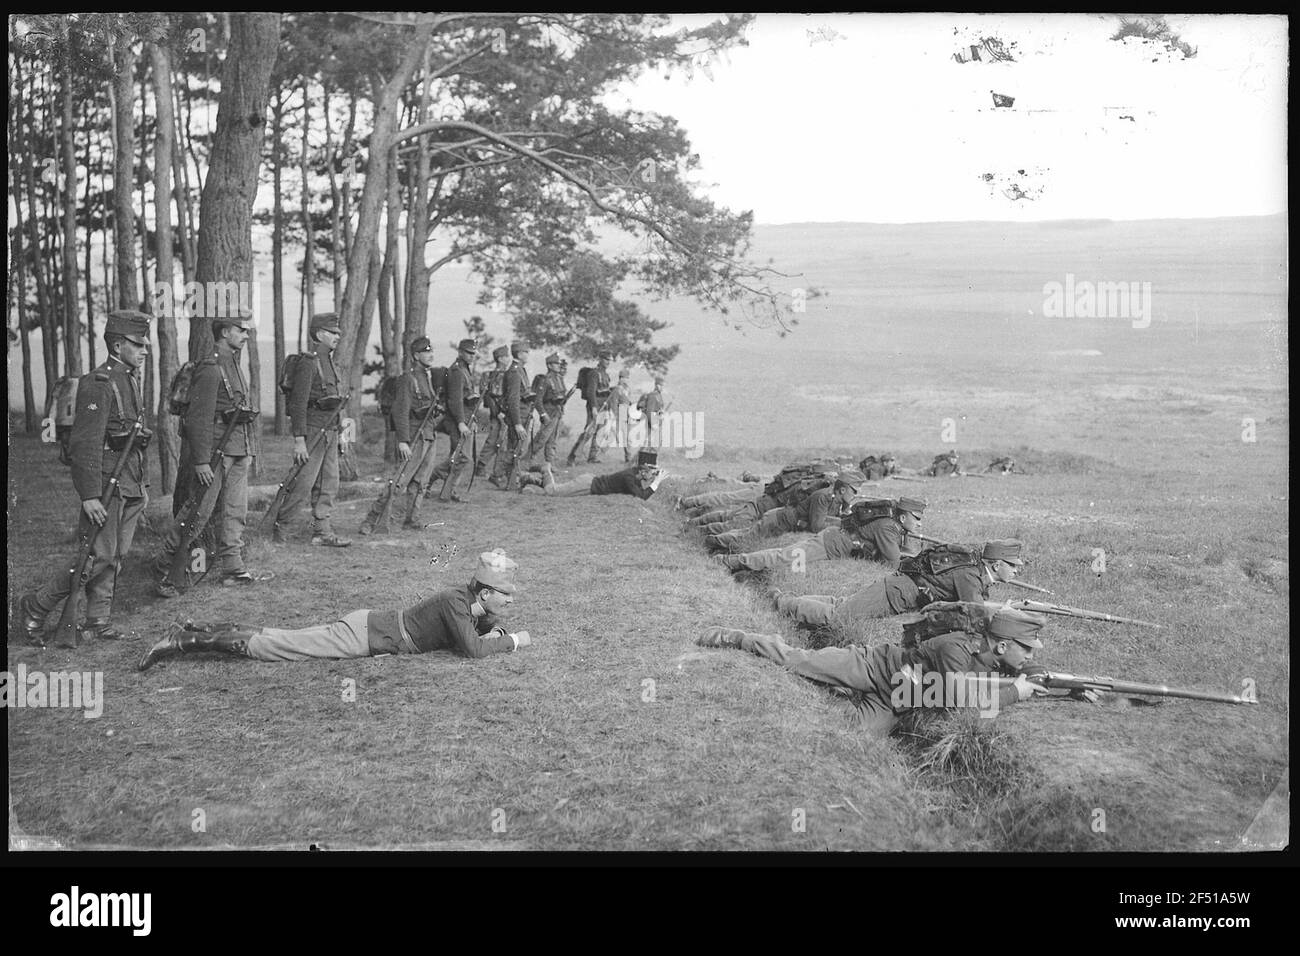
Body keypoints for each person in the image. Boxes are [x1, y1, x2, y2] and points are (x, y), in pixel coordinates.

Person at [695, 605, 1052, 737]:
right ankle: (739, 638)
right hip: (872, 666)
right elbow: (963, 705)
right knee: (797, 660)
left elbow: (1032, 671)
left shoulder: (1001, 658)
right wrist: (1015, 693)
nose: (1029, 655)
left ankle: (837, 695)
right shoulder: (954, 649)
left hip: (895, 704)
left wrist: (1065, 686)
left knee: (849, 733)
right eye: (1026, 648)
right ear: (1003, 646)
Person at [138, 550, 532, 670]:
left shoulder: (467, 602)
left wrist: (494, 628)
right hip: (363, 635)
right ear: (485, 590)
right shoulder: (455, 602)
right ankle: (184, 640)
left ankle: (194, 626)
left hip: (368, 627)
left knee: (279, 637)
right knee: (278, 647)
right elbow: (474, 650)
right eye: (505, 594)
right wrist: (511, 641)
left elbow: (478, 633)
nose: (510, 601)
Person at [20, 311, 153, 644]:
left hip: (130, 480)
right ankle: (37, 604)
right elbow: (86, 443)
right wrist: (90, 495)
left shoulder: (130, 377)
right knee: (97, 555)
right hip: (107, 484)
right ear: (118, 344)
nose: (144, 350)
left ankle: (98, 619)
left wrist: (142, 486)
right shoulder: (99, 383)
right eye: (138, 345)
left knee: (116, 555)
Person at [155, 311, 261, 595]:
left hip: (238, 448)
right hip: (215, 452)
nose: (246, 335)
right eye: (241, 330)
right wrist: (201, 461)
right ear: (225, 332)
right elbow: (198, 419)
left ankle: (233, 566)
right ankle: (167, 563)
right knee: (199, 512)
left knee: (236, 511)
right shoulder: (211, 368)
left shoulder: (234, 365)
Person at [773, 539, 1027, 627]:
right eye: (1013, 565)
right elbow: (977, 614)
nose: (1016, 570)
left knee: (843, 606)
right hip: (896, 593)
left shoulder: (974, 571)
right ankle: (780, 602)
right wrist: (1003, 611)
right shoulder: (970, 575)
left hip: (897, 587)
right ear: (996, 564)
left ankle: (786, 599)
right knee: (839, 616)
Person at [275, 311, 351, 547]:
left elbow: (336, 402)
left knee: (329, 482)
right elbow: (298, 403)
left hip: (330, 431)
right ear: (319, 334)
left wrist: (341, 434)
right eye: (332, 332)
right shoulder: (309, 362)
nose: (337, 336)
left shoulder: (331, 363)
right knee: (303, 482)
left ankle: (322, 530)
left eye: (338, 332)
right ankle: (281, 528)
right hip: (312, 431)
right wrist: (299, 439)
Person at [358, 336, 445, 533]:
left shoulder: (426, 377)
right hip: (414, 436)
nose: (431, 355)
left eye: (431, 351)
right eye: (426, 352)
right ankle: (371, 521)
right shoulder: (408, 378)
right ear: (416, 355)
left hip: (428, 435)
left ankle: (412, 519)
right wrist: (403, 441)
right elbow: (400, 410)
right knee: (400, 481)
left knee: (421, 481)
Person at [714, 494, 925, 573]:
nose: (919, 523)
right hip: (829, 544)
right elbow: (892, 564)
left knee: (784, 560)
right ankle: (730, 561)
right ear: (904, 517)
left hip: (835, 541)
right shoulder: (888, 527)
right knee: (783, 558)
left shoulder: (893, 525)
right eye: (917, 518)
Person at [705, 470, 867, 552]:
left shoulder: (838, 501)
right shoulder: (823, 497)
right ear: (843, 490)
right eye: (854, 491)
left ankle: (712, 539)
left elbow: (834, 518)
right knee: (744, 536)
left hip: (783, 524)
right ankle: (706, 537)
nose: (856, 495)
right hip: (777, 521)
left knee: (744, 536)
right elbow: (817, 526)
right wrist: (842, 522)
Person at [428, 338, 481, 502]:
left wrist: (473, 421)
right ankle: (431, 479)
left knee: (456, 456)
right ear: (460, 352)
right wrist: (460, 423)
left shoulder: (465, 369)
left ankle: (449, 490)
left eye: (473, 353)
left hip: (466, 418)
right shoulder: (457, 371)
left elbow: (469, 399)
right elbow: (455, 400)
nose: (472, 356)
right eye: (468, 353)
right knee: (462, 457)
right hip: (457, 420)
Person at [518, 449, 666, 498]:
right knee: (552, 492)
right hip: (587, 485)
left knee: (555, 490)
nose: (652, 476)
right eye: (651, 472)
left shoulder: (634, 474)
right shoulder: (630, 477)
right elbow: (641, 496)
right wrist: (657, 482)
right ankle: (545, 469)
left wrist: (653, 477)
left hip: (589, 482)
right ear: (643, 470)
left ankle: (530, 479)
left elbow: (640, 489)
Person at [529, 352, 571, 485]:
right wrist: (542, 414)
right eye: (556, 364)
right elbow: (537, 400)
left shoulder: (559, 379)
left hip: (557, 412)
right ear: (549, 365)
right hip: (549, 412)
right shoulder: (545, 380)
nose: (559, 366)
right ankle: (527, 461)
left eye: (559, 364)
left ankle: (550, 464)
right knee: (541, 439)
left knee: (552, 441)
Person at [566, 350, 612, 465]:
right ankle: (572, 457)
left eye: (609, 360)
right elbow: (591, 392)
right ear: (600, 359)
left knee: (599, 432)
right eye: (606, 359)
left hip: (603, 406)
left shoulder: (606, 375)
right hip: (595, 405)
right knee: (589, 432)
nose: (608, 362)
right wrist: (594, 407)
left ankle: (592, 457)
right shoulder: (594, 374)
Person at [476, 344, 512, 480]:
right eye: (506, 356)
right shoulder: (499, 375)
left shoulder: (500, 374)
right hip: (499, 413)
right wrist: (498, 412)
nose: (508, 359)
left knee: (498, 440)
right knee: (495, 440)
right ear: (501, 359)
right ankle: (483, 467)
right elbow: (492, 396)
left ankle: (488, 467)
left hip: (501, 412)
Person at [605, 368, 632, 463]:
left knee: (627, 438)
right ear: (620, 378)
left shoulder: (627, 389)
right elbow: (613, 403)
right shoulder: (617, 389)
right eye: (624, 378)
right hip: (618, 415)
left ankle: (628, 457)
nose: (625, 380)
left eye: (626, 378)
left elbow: (627, 401)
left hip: (625, 414)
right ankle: (596, 455)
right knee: (612, 437)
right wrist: (615, 416)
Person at [636, 375, 668, 449]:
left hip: (656, 420)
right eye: (661, 386)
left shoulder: (658, 395)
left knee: (652, 443)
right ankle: (641, 458)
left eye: (663, 386)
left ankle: (647, 458)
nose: (662, 388)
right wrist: (653, 424)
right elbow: (649, 411)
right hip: (652, 422)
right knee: (649, 442)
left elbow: (658, 408)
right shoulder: (653, 396)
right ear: (657, 385)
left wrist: (661, 414)